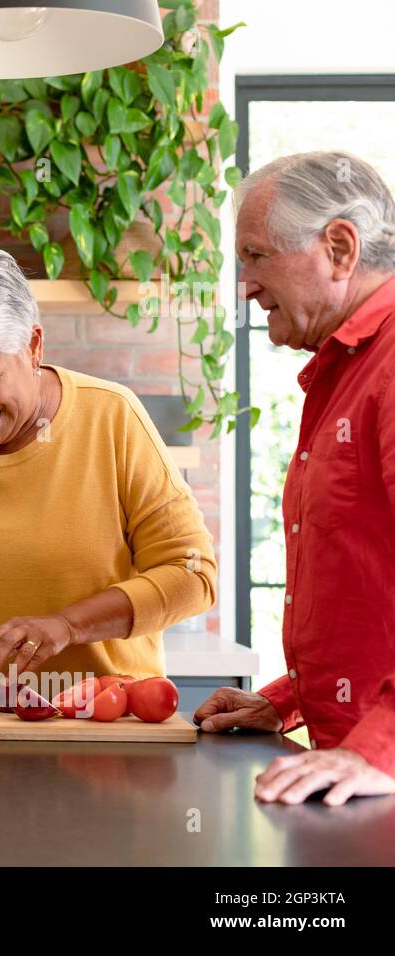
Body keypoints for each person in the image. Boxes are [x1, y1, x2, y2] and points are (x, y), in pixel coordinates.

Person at [0, 241, 216, 697]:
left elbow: (192, 574)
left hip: (106, 730)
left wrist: (68, 626)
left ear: (32, 346)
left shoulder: (112, 418)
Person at [195, 151, 395, 806]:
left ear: (339, 248)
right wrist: (286, 700)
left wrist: (377, 750)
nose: (243, 286)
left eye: (256, 257)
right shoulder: (345, 369)